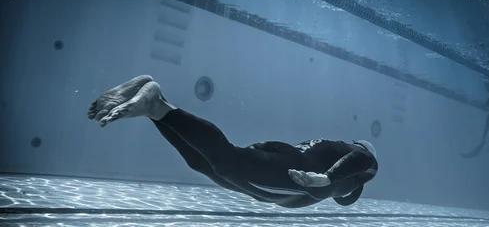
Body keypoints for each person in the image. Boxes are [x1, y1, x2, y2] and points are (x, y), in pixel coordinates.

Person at [87, 75, 378, 208]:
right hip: (292, 171)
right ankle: (158, 107)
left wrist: (325, 177)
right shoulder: (354, 171)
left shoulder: (333, 150)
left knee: (201, 163)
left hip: (285, 162)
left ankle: (155, 109)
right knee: (226, 162)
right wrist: (328, 180)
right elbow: (368, 163)